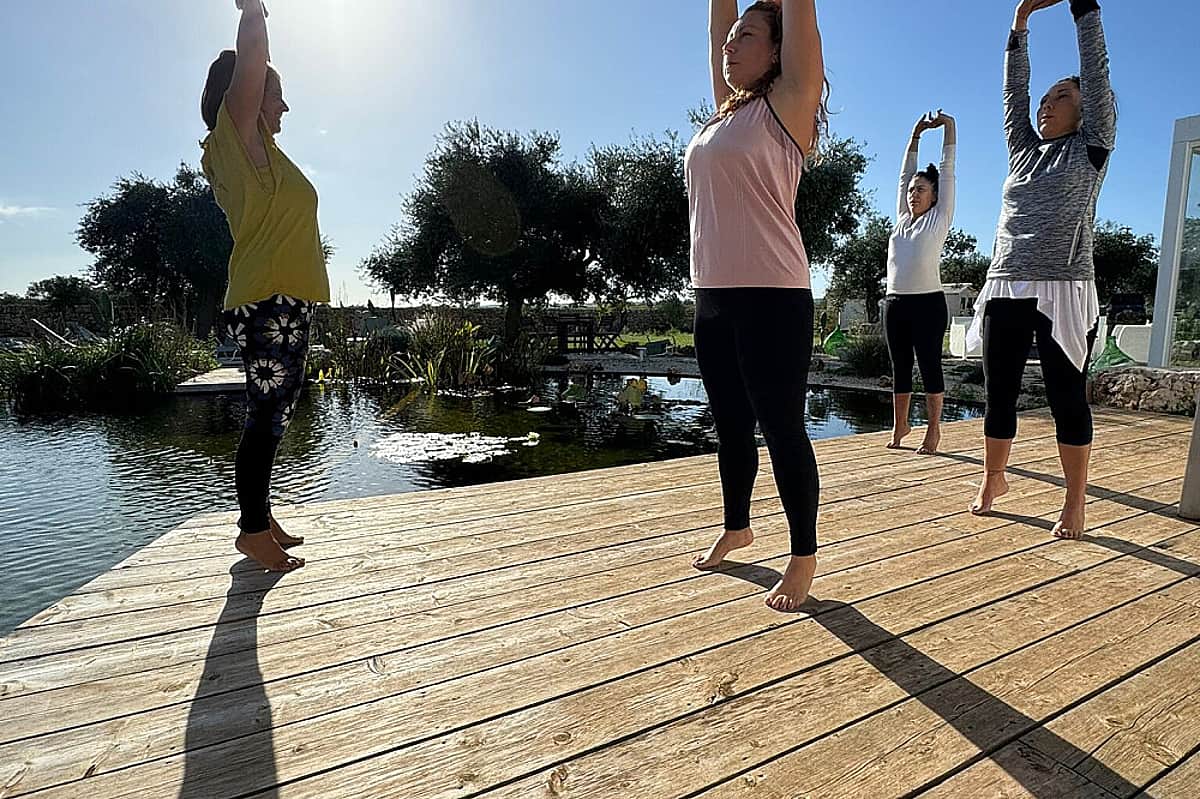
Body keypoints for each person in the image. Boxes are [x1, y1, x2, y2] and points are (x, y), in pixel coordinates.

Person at [687, 0, 829, 611]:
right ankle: (738, 525)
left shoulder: (788, 104)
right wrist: (729, 17)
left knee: (782, 426)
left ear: (778, 53)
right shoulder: (724, 114)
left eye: (748, 36)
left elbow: (801, 14)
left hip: (773, 294)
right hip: (712, 293)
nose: (731, 43)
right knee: (730, 423)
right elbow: (718, 20)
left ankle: (803, 556)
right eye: (732, 36)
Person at [967, 0, 1116, 540]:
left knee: (1065, 395)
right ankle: (994, 478)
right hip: (1006, 280)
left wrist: (1083, 9)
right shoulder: (1023, 150)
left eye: (1063, 97)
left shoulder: (1091, 148)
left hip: (1064, 289)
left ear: (1086, 111)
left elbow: (1097, 74)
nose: (1048, 104)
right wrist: (1020, 22)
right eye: (1047, 97)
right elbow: (1013, 97)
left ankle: (1075, 500)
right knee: (998, 388)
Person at [201, 0, 330, 571]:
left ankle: (260, 516)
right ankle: (252, 531)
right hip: (266, 300)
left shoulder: (266, 155)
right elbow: (249, 63)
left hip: (285, 300)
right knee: (265, 416)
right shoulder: (237, 145)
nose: (284, 105)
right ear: (249, 102)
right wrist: (254, 9)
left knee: (274, 415)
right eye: (274, 95)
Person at [884, 110, 957, 454]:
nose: (913, 193)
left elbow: (948, 171)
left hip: (928, 303)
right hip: (895, 302)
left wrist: (948, 128)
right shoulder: (901, 221)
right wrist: (914, 133)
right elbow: (903, 176)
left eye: (921, 189)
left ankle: (933, 431)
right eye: (912, 189)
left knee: (929, 365)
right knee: (899, 365)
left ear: (934, 195)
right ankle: (900, 425)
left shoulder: (939, 219)